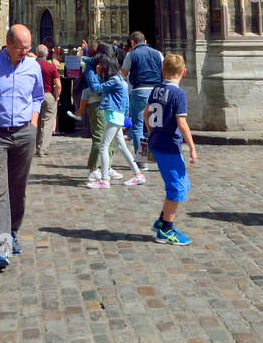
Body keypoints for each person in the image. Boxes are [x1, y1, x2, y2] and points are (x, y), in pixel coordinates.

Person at [0, 24, 44, 272]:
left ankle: (12, 230)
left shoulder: (33, 66)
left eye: (28, 47)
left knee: (18, 188)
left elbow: (38, 97)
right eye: (20, 47)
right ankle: (0, 244)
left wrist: (34, 123)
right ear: (8, 44)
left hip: (24, 133)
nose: (25, 51)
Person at [144, 53, 197, 246]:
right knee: (177, 188)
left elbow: (146, 113)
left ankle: (162, 220)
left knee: (181, 184)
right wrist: (192, 147)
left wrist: (152, 132)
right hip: (169, 146)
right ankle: (166, 230)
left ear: (162, 71)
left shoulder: (157, 88)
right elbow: (181, 122)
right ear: (184, 72)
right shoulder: (178, 93)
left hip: (157, 141)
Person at [82, 55, 144, 188]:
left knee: (104, 146)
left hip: (113, 116)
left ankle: (104, 180)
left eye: (101, 66)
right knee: (122, 147)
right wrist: (126, 119)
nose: (99, 67)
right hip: (117, 116)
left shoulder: (114, 80)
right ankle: (138, 174)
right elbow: (126, 102)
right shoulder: (121, 79)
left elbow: (97, 88)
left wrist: (96, 73)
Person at [122, 31, 164, 162]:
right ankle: (160, 156)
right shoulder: (158, 53)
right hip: (156, 91)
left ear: (133, 43)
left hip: (139, 90)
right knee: (157, 125)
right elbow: (164, 70)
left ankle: (142, 160)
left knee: (138, 126)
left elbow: (123, 73)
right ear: (145, 41)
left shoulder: (131, 54)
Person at [35, 44, 61, 157]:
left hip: (34, 96)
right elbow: (58, 85)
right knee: (47, 123)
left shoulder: (32, 66)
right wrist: (56, 96)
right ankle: (42, 149)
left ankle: (35, 146)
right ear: (46, 54)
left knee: (35, 121)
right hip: (48, 94)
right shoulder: (51, 67)